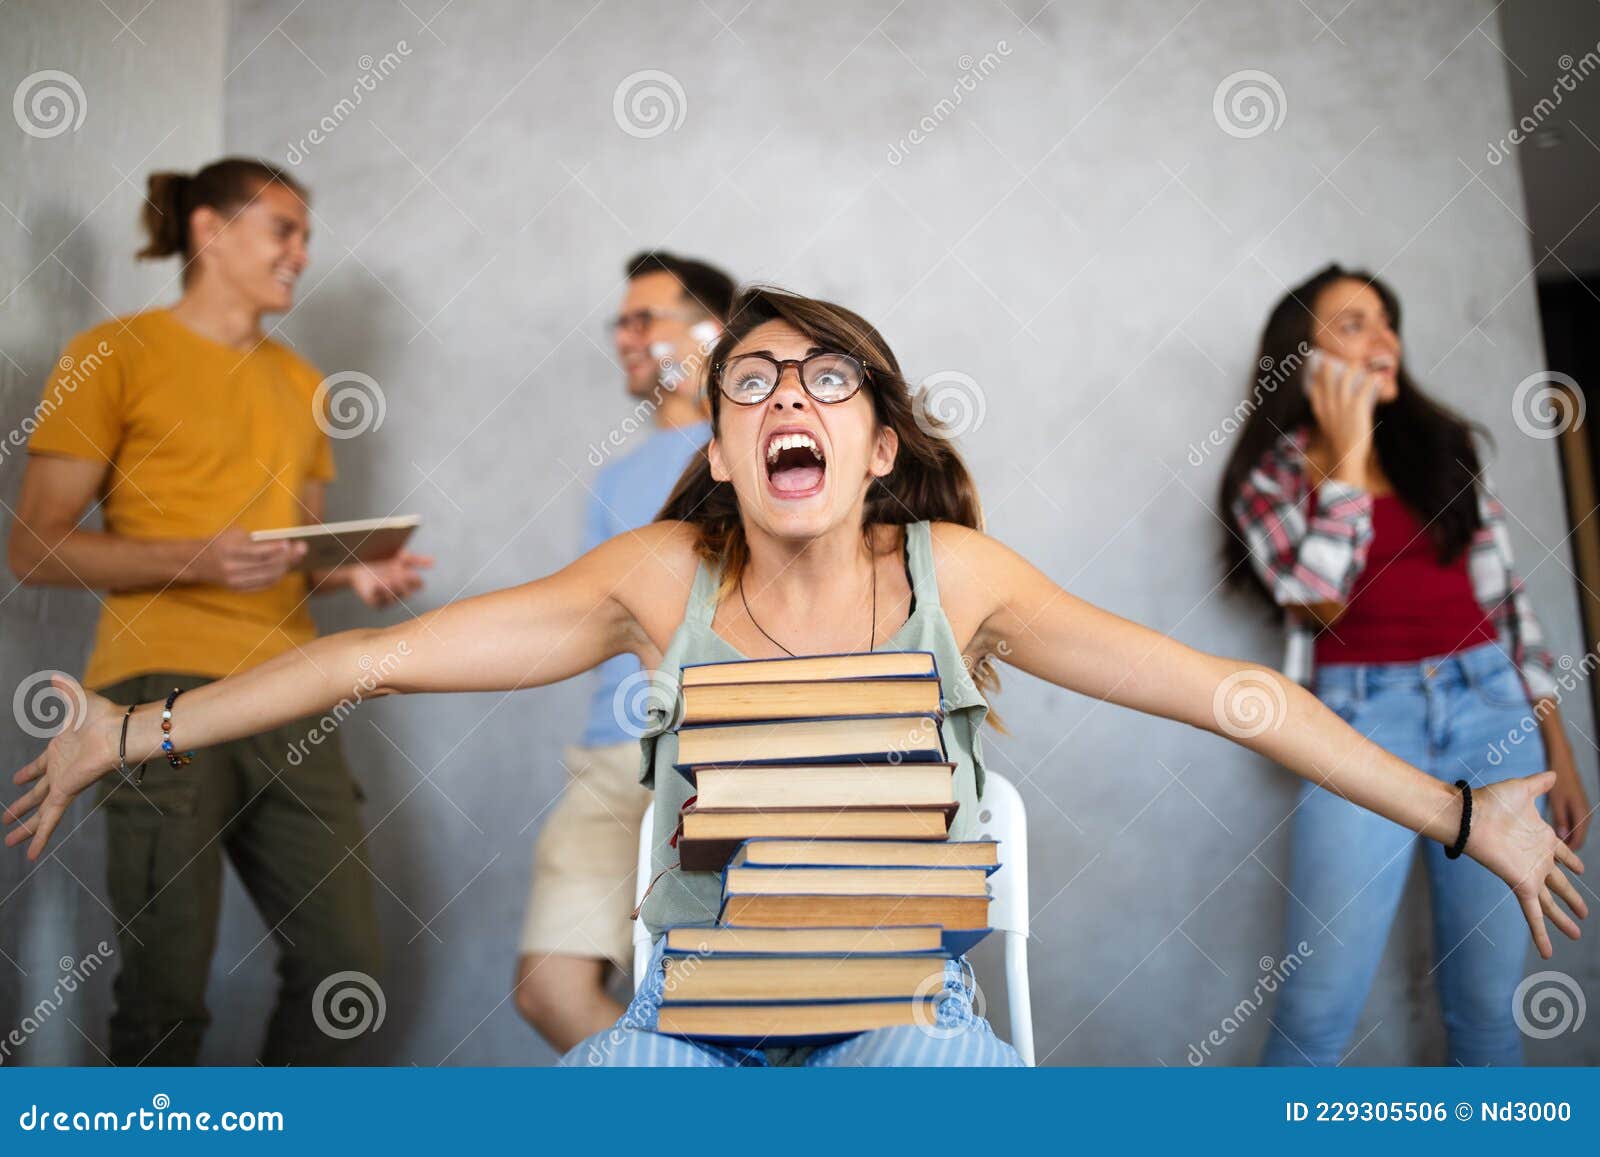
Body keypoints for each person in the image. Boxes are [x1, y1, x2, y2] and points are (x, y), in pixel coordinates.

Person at [6, 287, 1583, 1068]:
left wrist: (1465, 812)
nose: (784, 398)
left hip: (902, 1017)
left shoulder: (957, 577)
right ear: (720, 447)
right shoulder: (661, 578)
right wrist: (126, 730)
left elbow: (1235, 694)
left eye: (826, 379)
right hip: (687, 1028)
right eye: (749, 380)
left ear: (877, 446)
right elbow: (380, 655)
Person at [6, 157, 433, 1065]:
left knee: (345, 970)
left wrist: (352, 575)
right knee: (163, 997)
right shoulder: (111, 353)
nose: (301, 253)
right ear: (210, 229)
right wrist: (194, 557)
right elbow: (33, 546)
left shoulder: (304, 383)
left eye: (305, 234)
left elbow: (294, 556)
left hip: (293, 690)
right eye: (284, 229)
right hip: (155, 689)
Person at [1219, 263, 1592, 1066]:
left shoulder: (1444, 448)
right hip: (1357, 722)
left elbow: (1507, 604)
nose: (1383, 337)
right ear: (1303, 355)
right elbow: (1318, 601)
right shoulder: (1269, 477)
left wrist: (1557, 747)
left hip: (1493, 710)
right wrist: (1348, 456)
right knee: (1315, 1012)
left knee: (1487, 1009)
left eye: (1386, 320)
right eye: (1354, 324)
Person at [514, 251, 735, 1051]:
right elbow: (590, 621)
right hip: (611, 755)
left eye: (646, 319)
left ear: (712, 334)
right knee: (549, 987)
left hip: (718, 756)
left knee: (719, 999)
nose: (625, 338)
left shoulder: (751, 453)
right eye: (622, 322)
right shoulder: (614, 478)